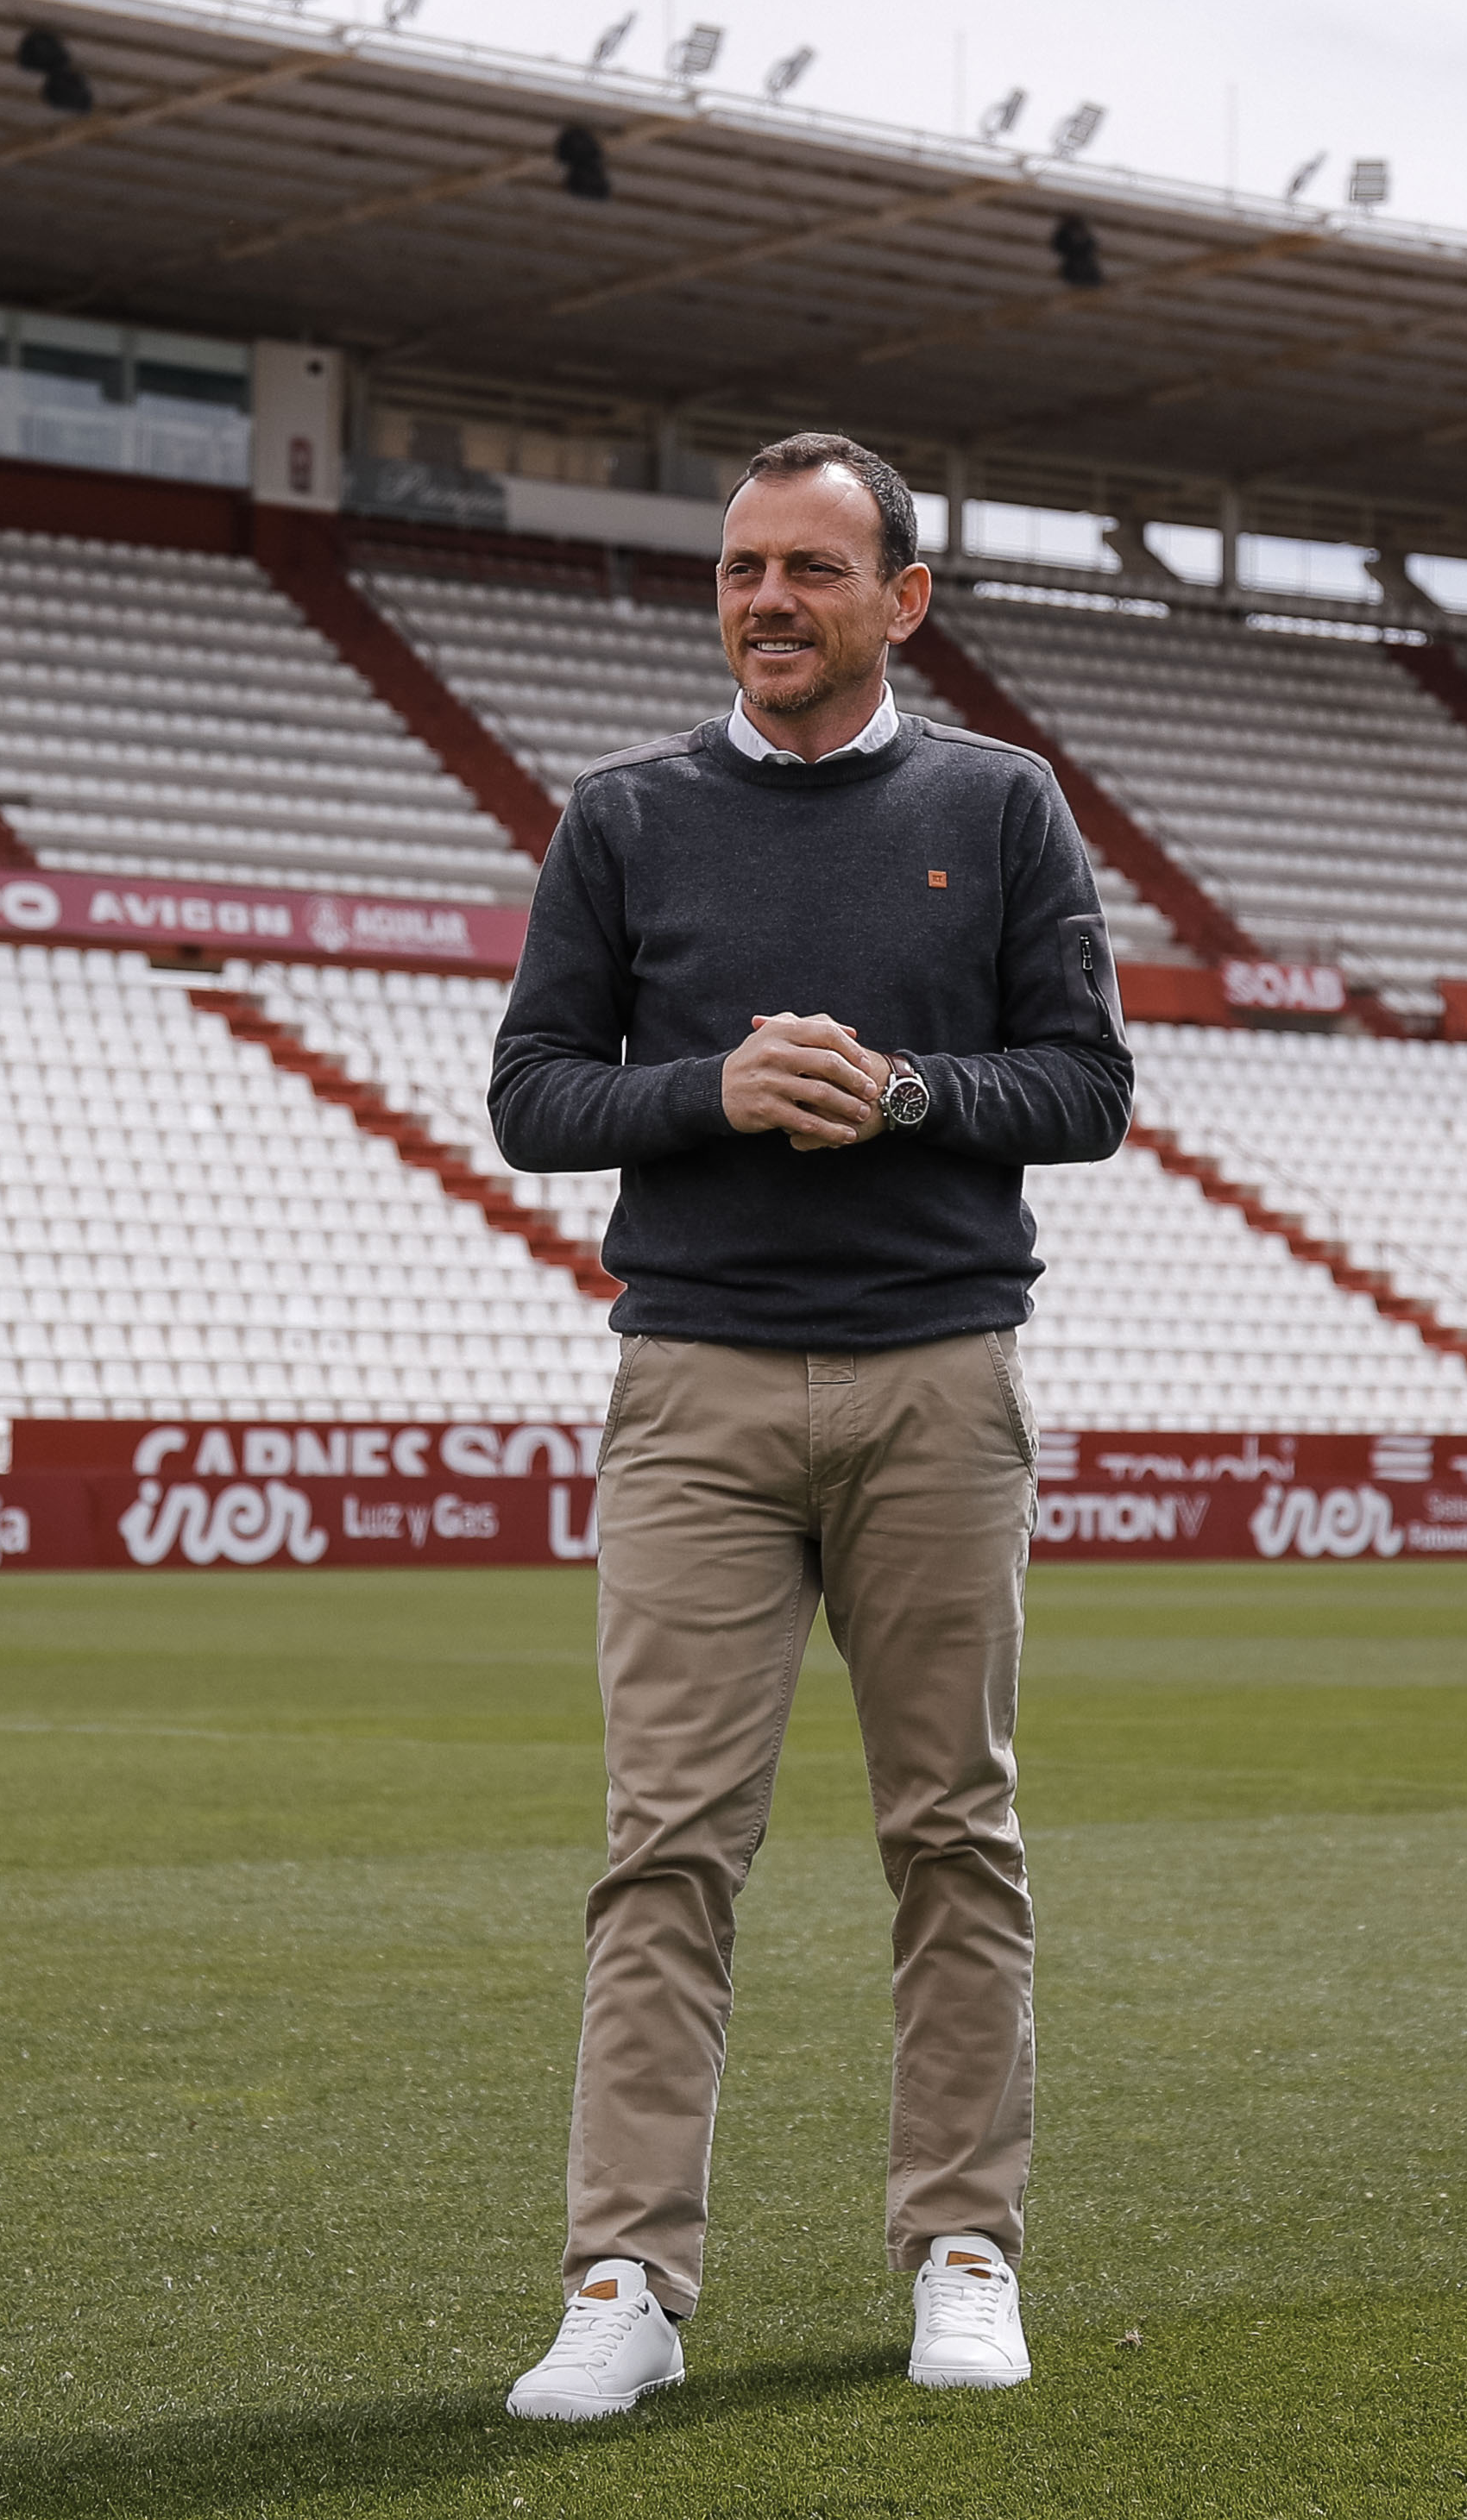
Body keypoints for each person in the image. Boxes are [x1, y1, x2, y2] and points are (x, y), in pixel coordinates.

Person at [485, 430, 1132, 2420]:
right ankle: (623, 2279)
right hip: (694, 1383)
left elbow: (1087, 1085)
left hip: (939, 1372)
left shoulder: (999, 804)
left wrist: (906, 1092)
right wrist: (712, 1087)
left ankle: (963, 2247)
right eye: (741, 567)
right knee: (664, 1849)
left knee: (952, 1833)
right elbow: (531, 1094)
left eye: (811, 568)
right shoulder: (623, 814)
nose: (766, 598)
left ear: (900, 600)